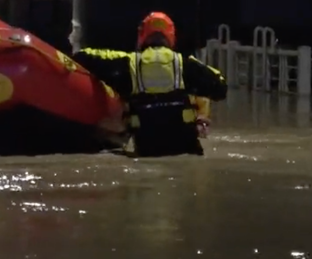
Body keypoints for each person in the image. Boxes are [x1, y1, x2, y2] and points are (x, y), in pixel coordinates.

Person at [71, 11, 227, 157]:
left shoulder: (128, 63)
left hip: (147, 150)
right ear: (171, 36)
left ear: (142, 36)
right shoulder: (186, 64)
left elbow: (84, 57)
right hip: (187, 150)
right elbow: (220, 87)